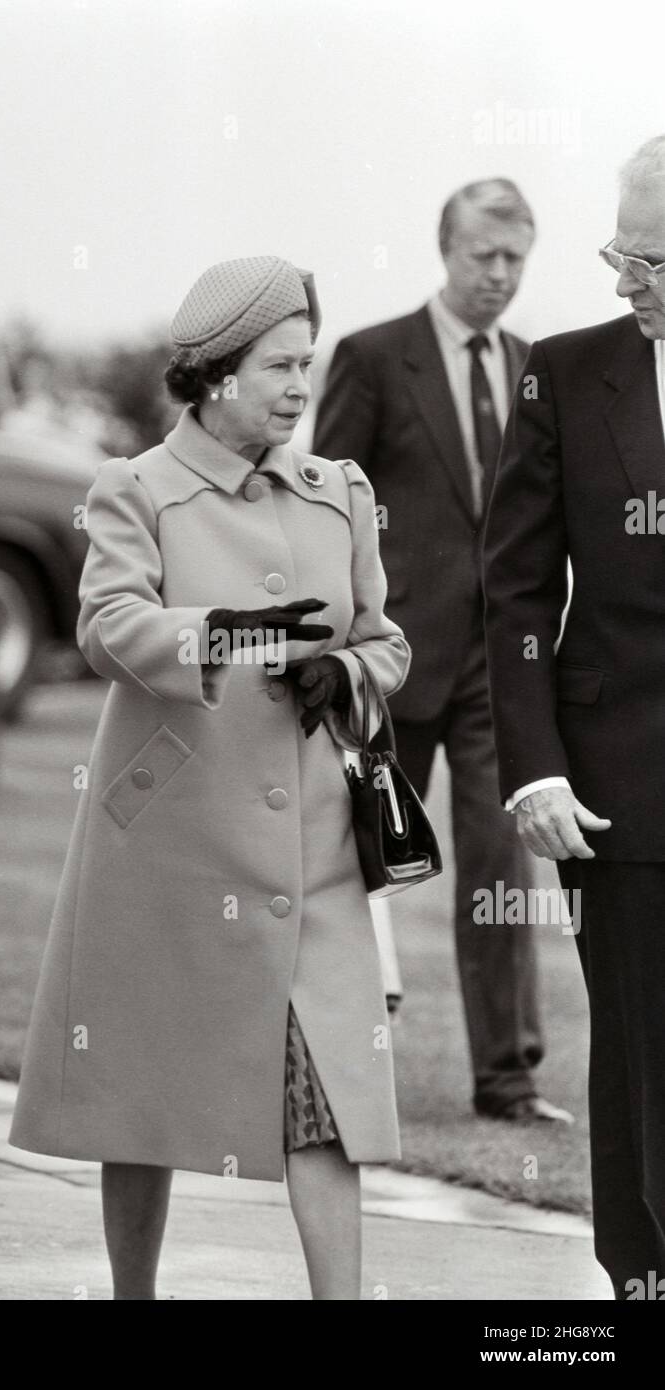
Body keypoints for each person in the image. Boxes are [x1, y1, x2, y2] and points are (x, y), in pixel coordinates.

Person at [9, 255, 411, 1300]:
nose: (297, 386)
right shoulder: (134, 490)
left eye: (306, 363)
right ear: (217, 373)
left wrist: (347, 671)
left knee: (330, 1098)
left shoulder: (340, 495)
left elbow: (387, 643)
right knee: (137, 1096)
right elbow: (108, 628)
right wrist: (232, 636)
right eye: (277, 365)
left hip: (314, 849)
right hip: (169, 854)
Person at [313, 179, 572, 1125]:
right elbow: (327, 505)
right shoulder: (373, 358)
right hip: (387, 659)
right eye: (482, 256)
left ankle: (507, 1080)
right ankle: (331, 1064)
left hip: (496, 669)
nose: (499, 276)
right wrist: (341, 650)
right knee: (352, 863)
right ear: (446, 250)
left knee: (502, 868)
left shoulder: (537, 365)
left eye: (514, 258)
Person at [483, 135, 665, 1298]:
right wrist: (536, 770)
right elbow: (513, 586)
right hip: (615, 786)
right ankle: (640, 1278)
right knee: (640, 1057)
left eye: (643, 254)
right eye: (617, 247)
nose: (621, 279)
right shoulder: (565, 370)